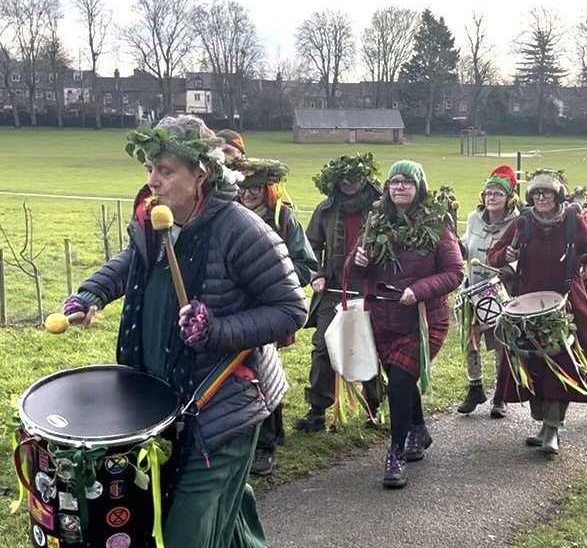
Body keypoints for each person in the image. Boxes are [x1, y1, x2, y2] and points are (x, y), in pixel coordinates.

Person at [64, 116, 307, 546]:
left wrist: (216, 330)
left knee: (184, 531)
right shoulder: (155, 221)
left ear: (201, 175)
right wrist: (91, 294)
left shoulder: (243, 230)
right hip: (164, 402)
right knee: (219, 514)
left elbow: (291, 310)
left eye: (165, 170)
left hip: (221, 409)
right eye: (149, 169)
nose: (153, 180)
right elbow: (132, 260)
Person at [349, 160, 463, 489]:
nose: (399, 187)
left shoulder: (437, 224)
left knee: (399, 380)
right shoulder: (375, 222)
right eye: (394, 182)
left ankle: (396, 452)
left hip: (423, 321)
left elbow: (455, 272)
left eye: (407, 182)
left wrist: (418, 290)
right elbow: (355, 271)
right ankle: (419, 429)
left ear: (419, 188)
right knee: (401, 379)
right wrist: (358, 262)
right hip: (383, 320)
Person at [488, 170, 587, 453]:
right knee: (533, 365)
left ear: (557, 196)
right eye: (536, 193)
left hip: (566, 304)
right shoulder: (523, 221)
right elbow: (494, 253)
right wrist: (506, 255)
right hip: (527, 305)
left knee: (561, 363)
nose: (541, 197)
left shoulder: (574, 221)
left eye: (547, 193)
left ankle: (552, 429)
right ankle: (542, 422)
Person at [227, 155, 318, 476]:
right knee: (257, 370)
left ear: (268, 189)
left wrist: (270, 278)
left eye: (256, 188)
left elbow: (307, 266)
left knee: (258, 371)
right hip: (234, 308)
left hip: (269, 311)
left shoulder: (283, 219)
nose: (249, 194)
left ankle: (265, 447)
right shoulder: (228, 216)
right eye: (244, 188)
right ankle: (274, 431)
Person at [298, 153, 383, 432]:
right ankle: (318, 411)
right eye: (344, 178)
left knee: (367, 346)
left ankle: (374, 406)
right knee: (323, 347)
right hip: (334, 289)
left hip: (370, 289)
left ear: (364, 177)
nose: (350, 182)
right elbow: (310, 247)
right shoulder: (326, 209)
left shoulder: (381, 207)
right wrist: (317, 276)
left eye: (355, 177)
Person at [457, 165, 520, 418]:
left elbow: (522, 256)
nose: (492, 198)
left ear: (509, 198)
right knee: (469, 341)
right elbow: (465, 243)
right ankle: (475, 387)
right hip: (471, 287)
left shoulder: (518, 222)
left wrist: (510, 269)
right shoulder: (473, 217)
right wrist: (455, 248)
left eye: (498, 194)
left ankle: (500, 395)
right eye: (488, 193)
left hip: (499, 290)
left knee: (500, 343)